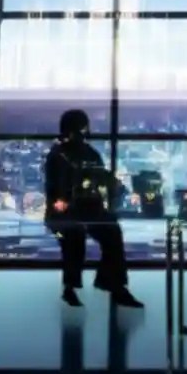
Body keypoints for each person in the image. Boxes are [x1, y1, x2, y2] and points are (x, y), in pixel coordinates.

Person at [45, 109, 143, 308]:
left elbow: (102, 176)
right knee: (74, 237)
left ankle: (113, 284)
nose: (82, 133)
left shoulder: (87, 153)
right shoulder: (58, 155)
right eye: (79, 129)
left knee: (113, 233)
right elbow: (54, 188)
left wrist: (118, 188)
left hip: (88, 208)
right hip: (65, 212)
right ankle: (73, 287)